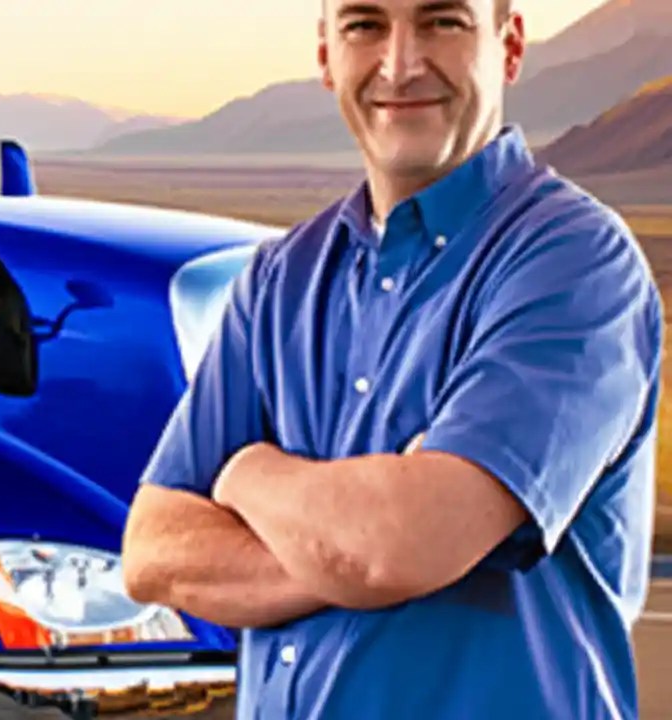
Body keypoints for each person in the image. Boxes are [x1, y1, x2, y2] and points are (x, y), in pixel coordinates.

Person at [120, 0, 663, 718]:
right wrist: (353, 544)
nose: (401, 65)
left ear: (508, 45)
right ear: (326, 55)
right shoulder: (280, 280)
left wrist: (248, 472)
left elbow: (398, 547)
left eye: (442, 21)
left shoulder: (573, 264)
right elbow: (152, 548)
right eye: (364, 25)